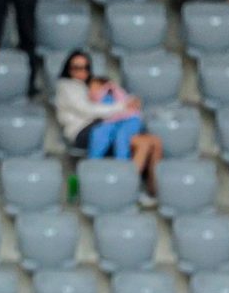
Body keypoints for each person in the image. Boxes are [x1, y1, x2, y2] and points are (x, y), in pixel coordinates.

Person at [54, 51, 162, 197]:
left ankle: (152, 192)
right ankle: (126, 190)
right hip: (82, 131)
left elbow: (114, 95)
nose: (82, 71)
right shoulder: (66, 86)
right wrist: (123, 106)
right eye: (76, 67)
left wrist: (131, 102)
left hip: (104, 124)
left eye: (86, 67)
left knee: (155, 142)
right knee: (144, 143)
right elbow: (88, 110)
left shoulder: (90, 84)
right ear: (68, 68)